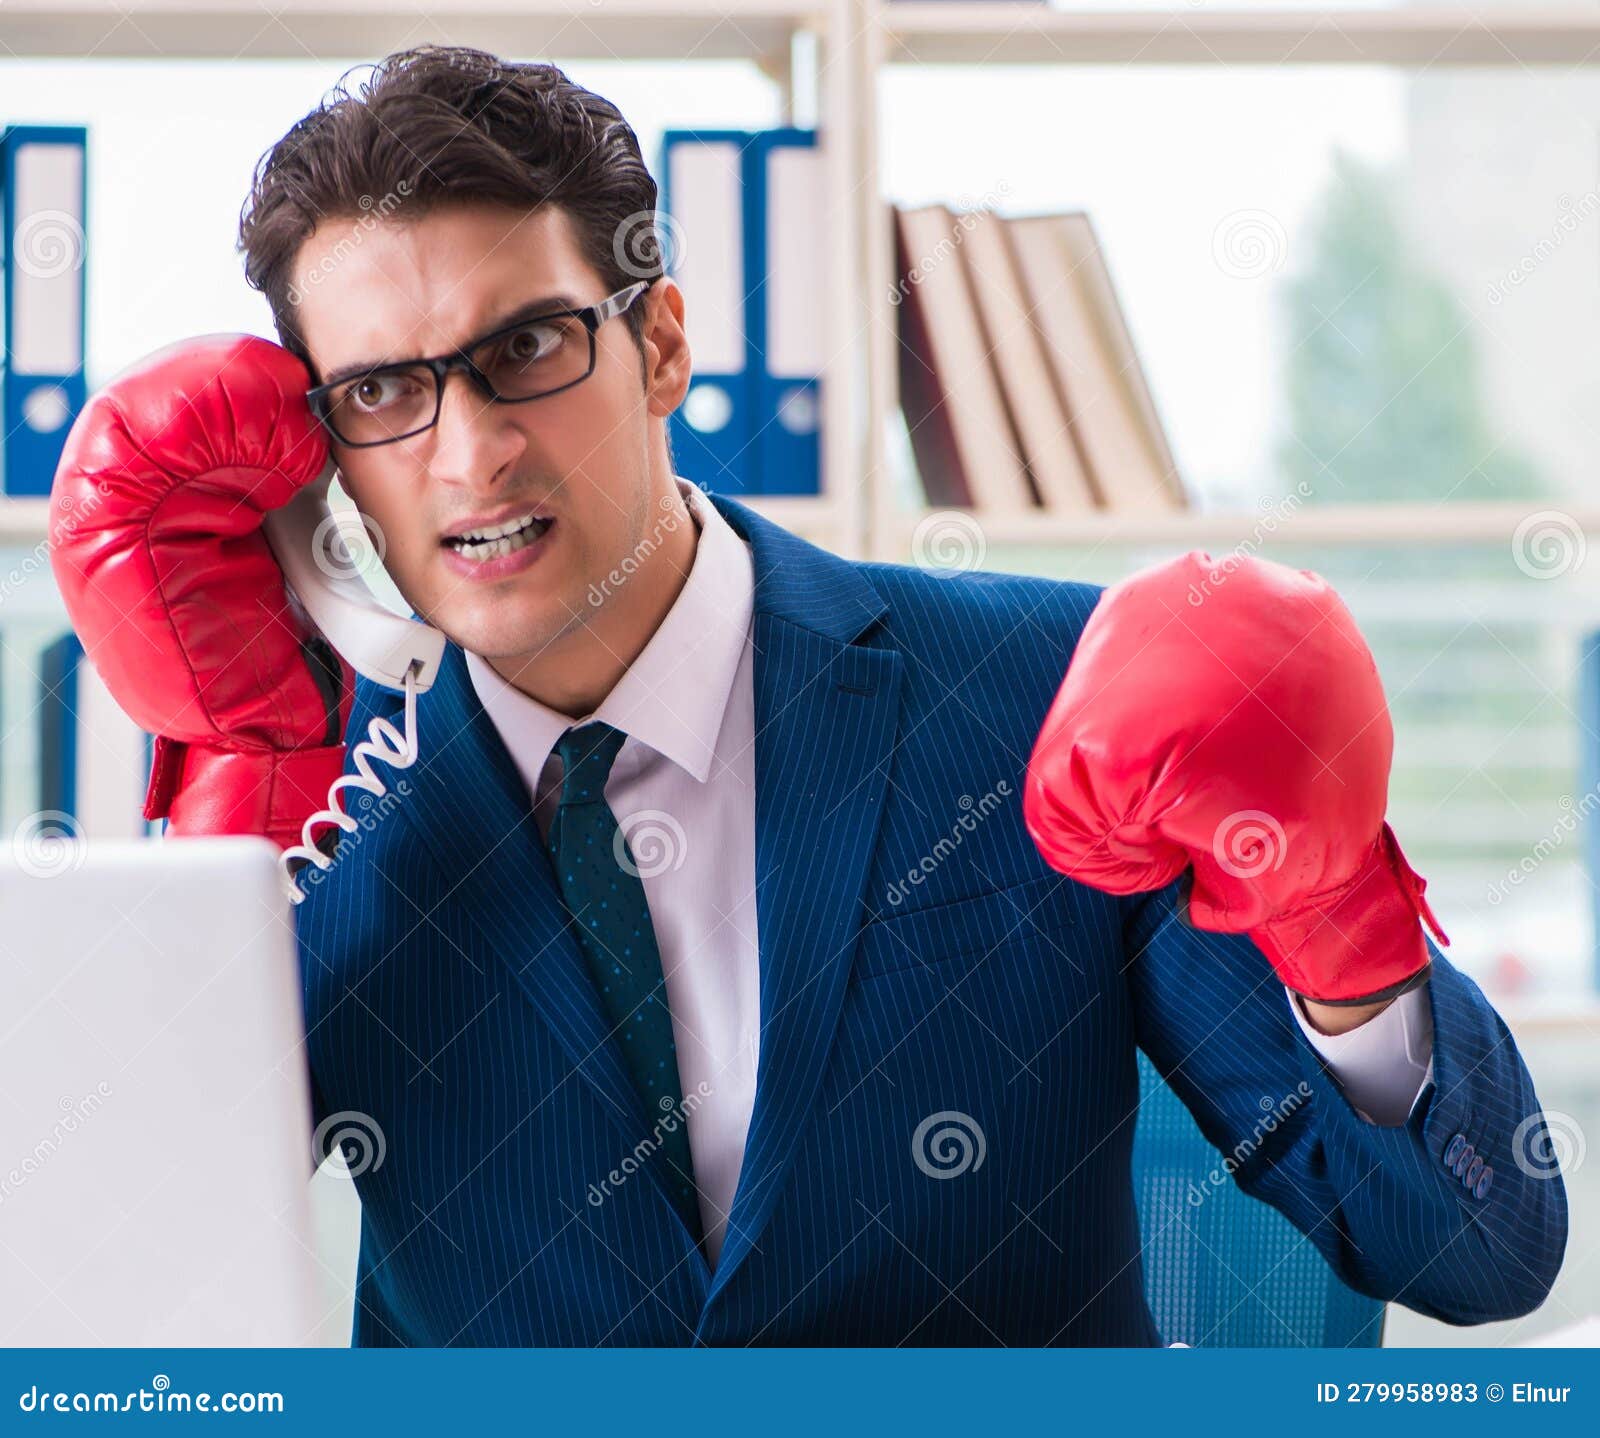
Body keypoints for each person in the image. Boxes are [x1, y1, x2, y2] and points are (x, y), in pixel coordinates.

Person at [49, 45, 1567, 1347]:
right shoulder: (310, 796)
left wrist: (1334, 914)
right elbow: (120, 1306)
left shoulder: (1045, 693)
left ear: (660, 344)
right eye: (382, 391)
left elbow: (1476, 1250)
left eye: (527, 346)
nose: (472, 453)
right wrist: (248, 789)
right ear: (321, 448)